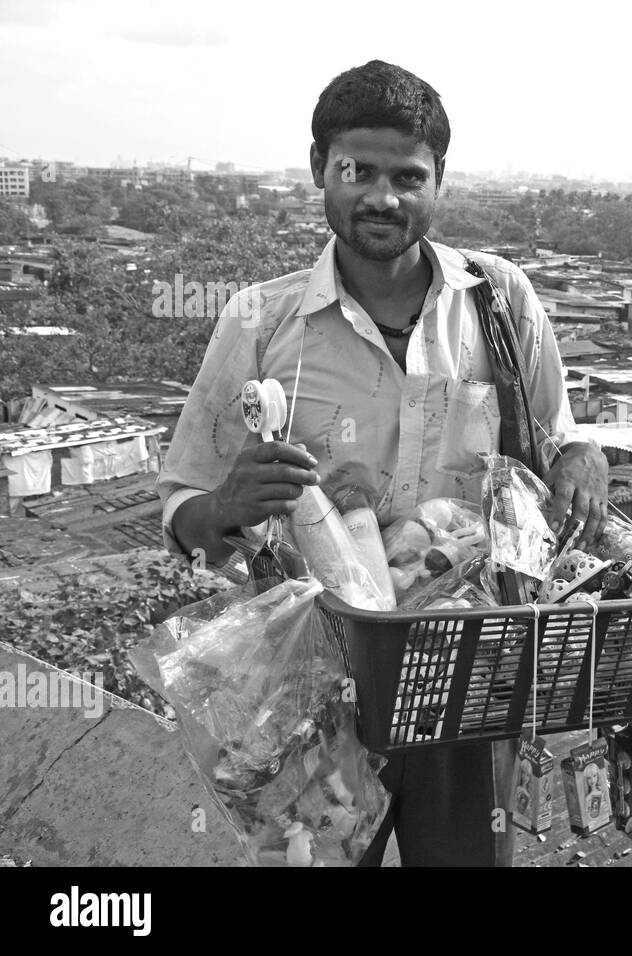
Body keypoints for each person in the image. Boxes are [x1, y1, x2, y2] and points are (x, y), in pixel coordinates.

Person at [158, 60, 609, 866]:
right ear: (318, 171)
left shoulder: (499, 304)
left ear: (439, 181)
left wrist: (584, 459)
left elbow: (554, 446)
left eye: (408, 175)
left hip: (468, 678)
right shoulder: (263, 321)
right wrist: (228, 503)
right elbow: (185, 510)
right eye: (356, 171)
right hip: (314, 690)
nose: (382, 197)